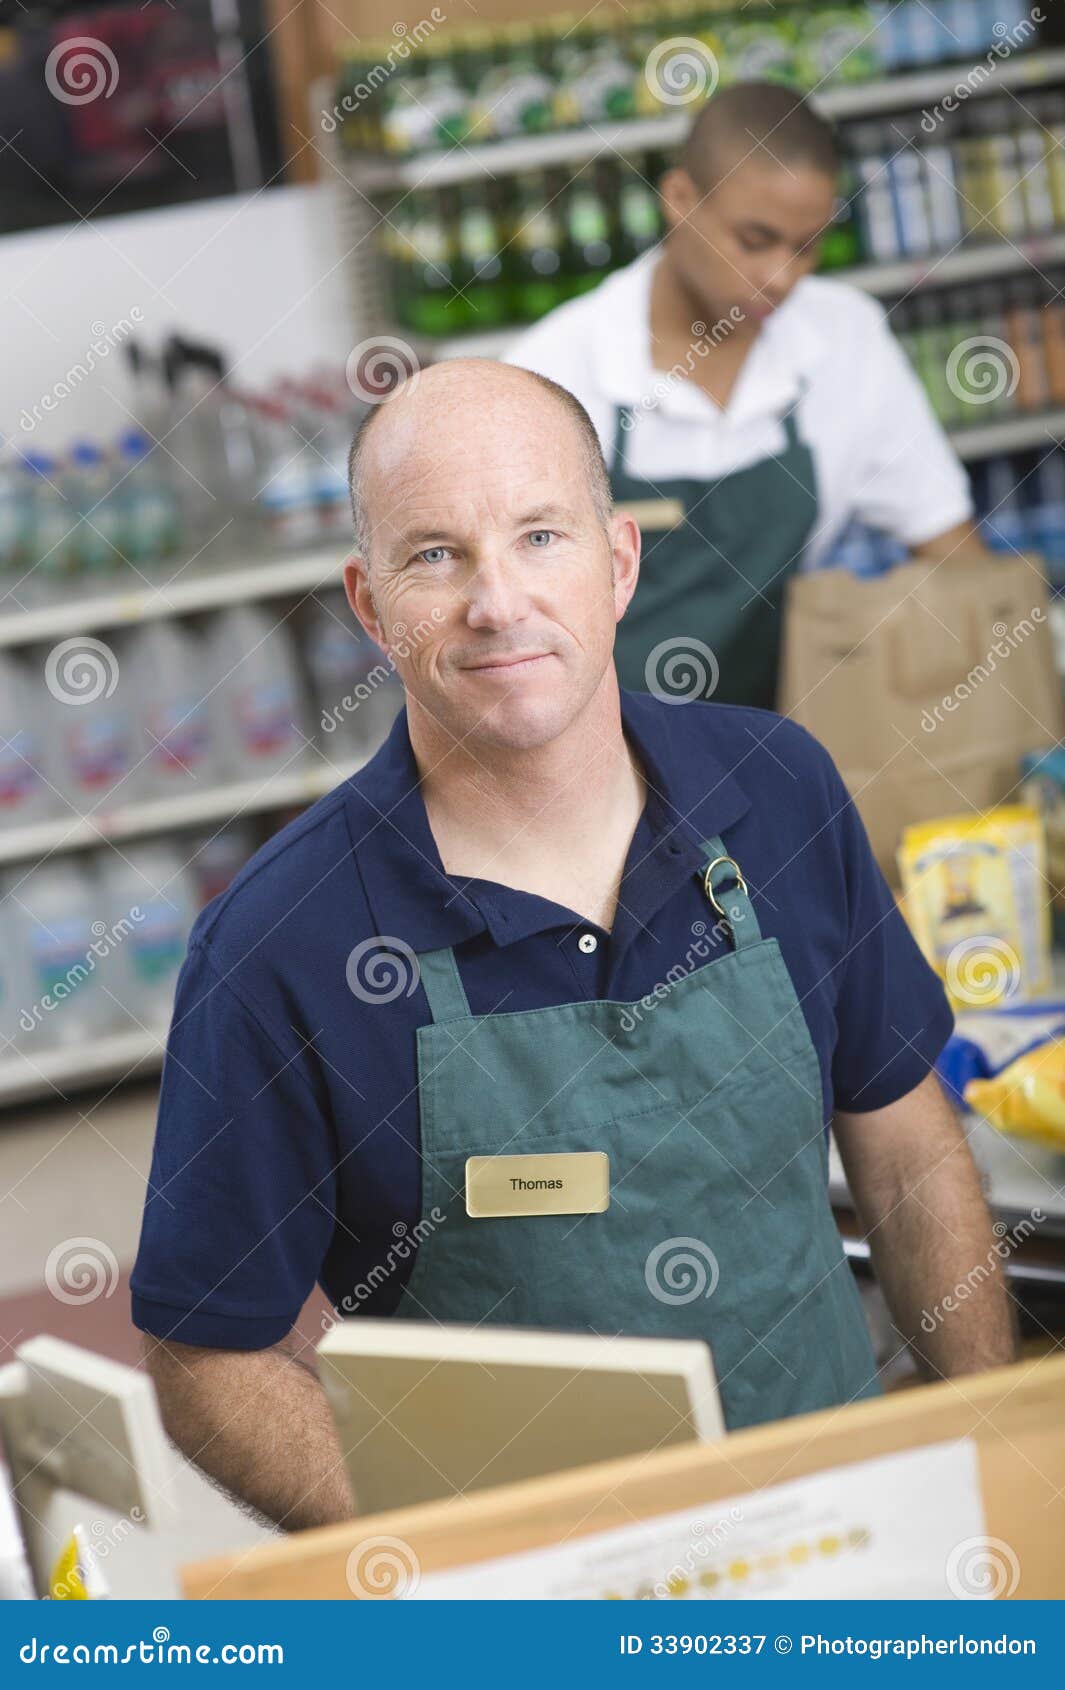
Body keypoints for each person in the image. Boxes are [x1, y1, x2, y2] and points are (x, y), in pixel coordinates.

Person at [131, 360, 1013, 1532]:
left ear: (619, 561)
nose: (498, 602)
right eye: (435, 555)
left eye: (539, 535)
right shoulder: (280, 944)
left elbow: (907, 1157)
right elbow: (207, 1356)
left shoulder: (777, 789)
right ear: (367, 603)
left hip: (844, 1535)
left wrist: (992, 1458)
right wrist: (470, 1562)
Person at [506, 81, 985, 709]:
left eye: (806, 247)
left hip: (782, 736)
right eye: (754, 242)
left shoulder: (844, 339)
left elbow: (948, 545)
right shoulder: (550, 372)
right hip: (600, 753)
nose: (782, 277)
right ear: (679, 198)